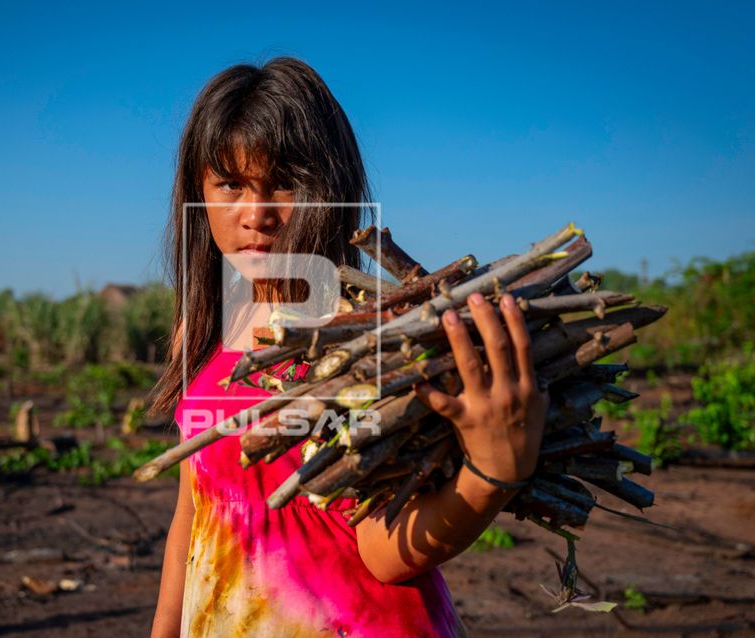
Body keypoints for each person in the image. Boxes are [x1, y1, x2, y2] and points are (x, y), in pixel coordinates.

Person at [147, 56, 548, 637]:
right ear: (198, 192)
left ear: (328, 189)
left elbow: (382, 551)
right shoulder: (201, 331)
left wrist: (491, 472)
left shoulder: (364, 335)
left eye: (282, 182)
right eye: (229, 184)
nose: (255, 214)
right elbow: (196, 506)